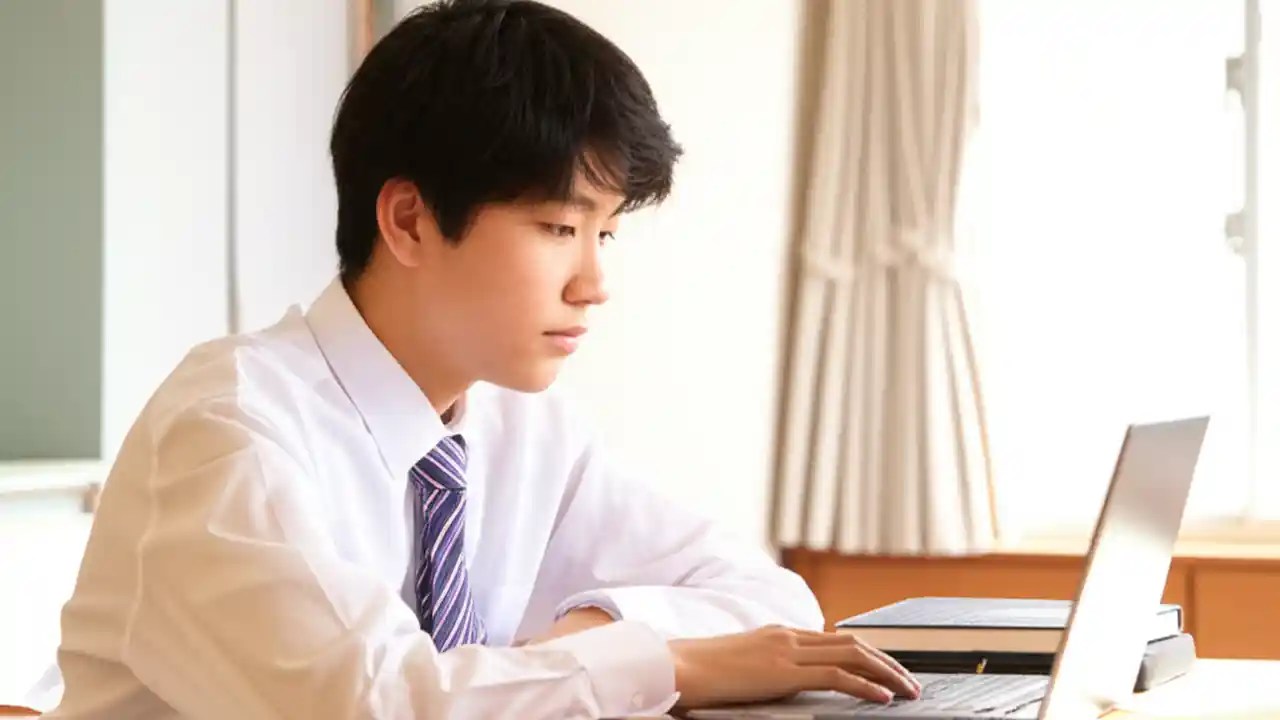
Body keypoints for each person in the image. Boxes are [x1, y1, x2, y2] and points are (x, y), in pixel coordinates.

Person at [44, 1, 920, 718]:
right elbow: (375, 705)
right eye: (559, 228)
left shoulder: (519, 427)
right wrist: (665, 664)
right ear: (410, 221)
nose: (594, 283)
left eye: (606, 233)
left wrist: (581, 640)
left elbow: (771, 601)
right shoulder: (232, 429)